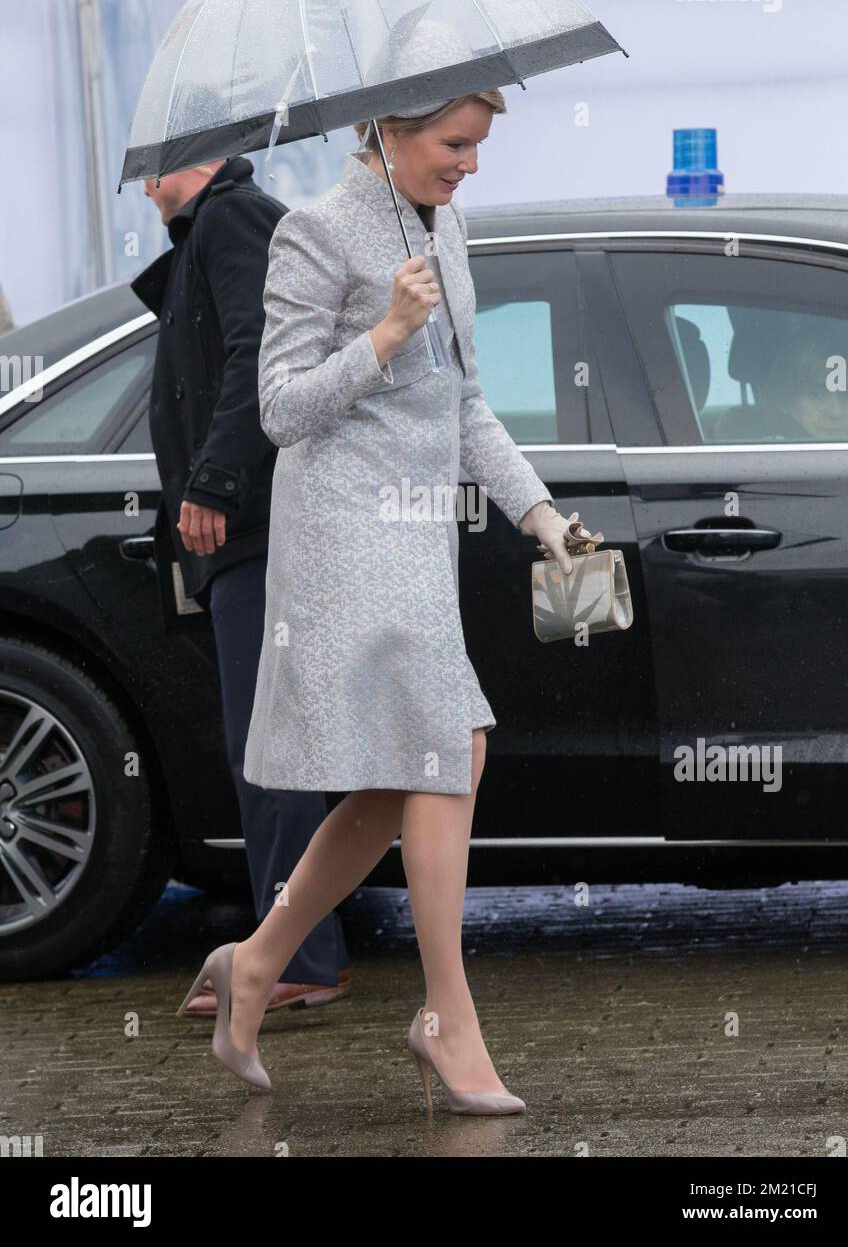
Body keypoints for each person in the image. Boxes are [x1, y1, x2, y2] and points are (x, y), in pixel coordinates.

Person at [175, 93, 600, 1112]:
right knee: (454, 743)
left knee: (393, 777)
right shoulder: (312, 233)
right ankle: (446, 1018)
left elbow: (462, 402)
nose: (469, 167)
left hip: (416, 537)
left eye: (478, 147)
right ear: (389, 132)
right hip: (340, 533)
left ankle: (258, 956)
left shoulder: (442, 226)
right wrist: (386, 329)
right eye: (454, 146)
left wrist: (541, 514)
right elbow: (279, 408)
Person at [131, 156, 351, 1015]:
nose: (142, 188)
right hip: (249, 533)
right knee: (269, 745)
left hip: (256, 529)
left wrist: (215, 479)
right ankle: (291, 947)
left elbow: (257, 351)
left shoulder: (232, 217)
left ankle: (294, 953)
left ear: (193, 156)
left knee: (271, 747)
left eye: (148, 169)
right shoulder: (214, 229)